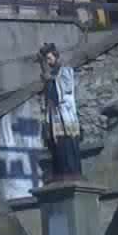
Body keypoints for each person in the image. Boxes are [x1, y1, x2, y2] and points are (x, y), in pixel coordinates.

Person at [39, 44, 83, 180]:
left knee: (69, 143)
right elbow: (48, 98)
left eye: (49, 58)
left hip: (66, 113)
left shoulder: (65, 70)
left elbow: (67, 88)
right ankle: (61, 172)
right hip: (55, 115)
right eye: (46, 59)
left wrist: (51, 79)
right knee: (58, 144)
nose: (48, 61)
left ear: (56, 56)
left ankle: (73, 172)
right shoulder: (50, 74)